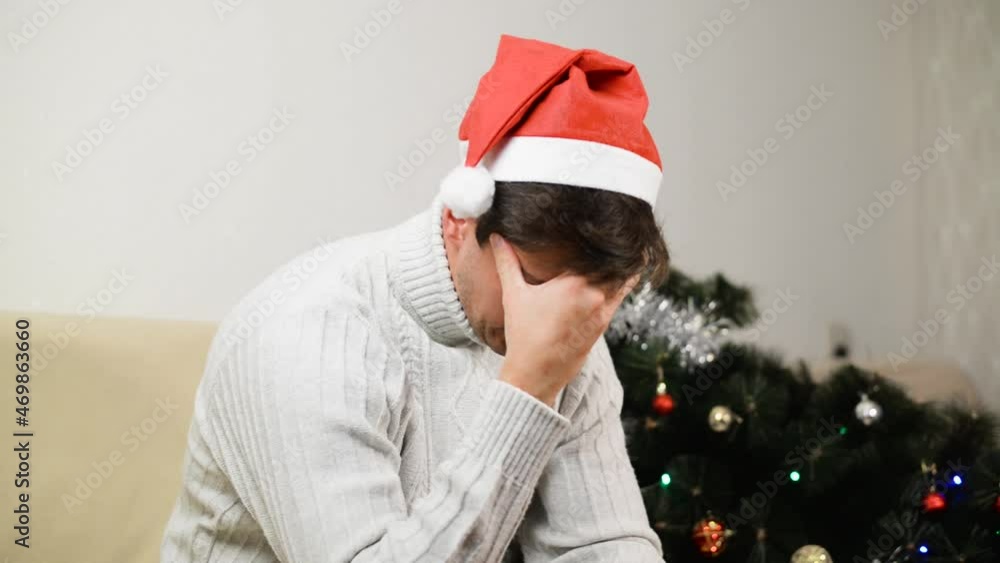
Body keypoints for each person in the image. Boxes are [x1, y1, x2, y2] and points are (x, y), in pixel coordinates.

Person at [161, 34, 670, 562]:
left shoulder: (569, 316)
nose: (558, 322)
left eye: (596, 294)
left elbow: (602, 543)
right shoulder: (304, 336)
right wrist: (527, 389)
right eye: (534, 282)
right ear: (459, 218)